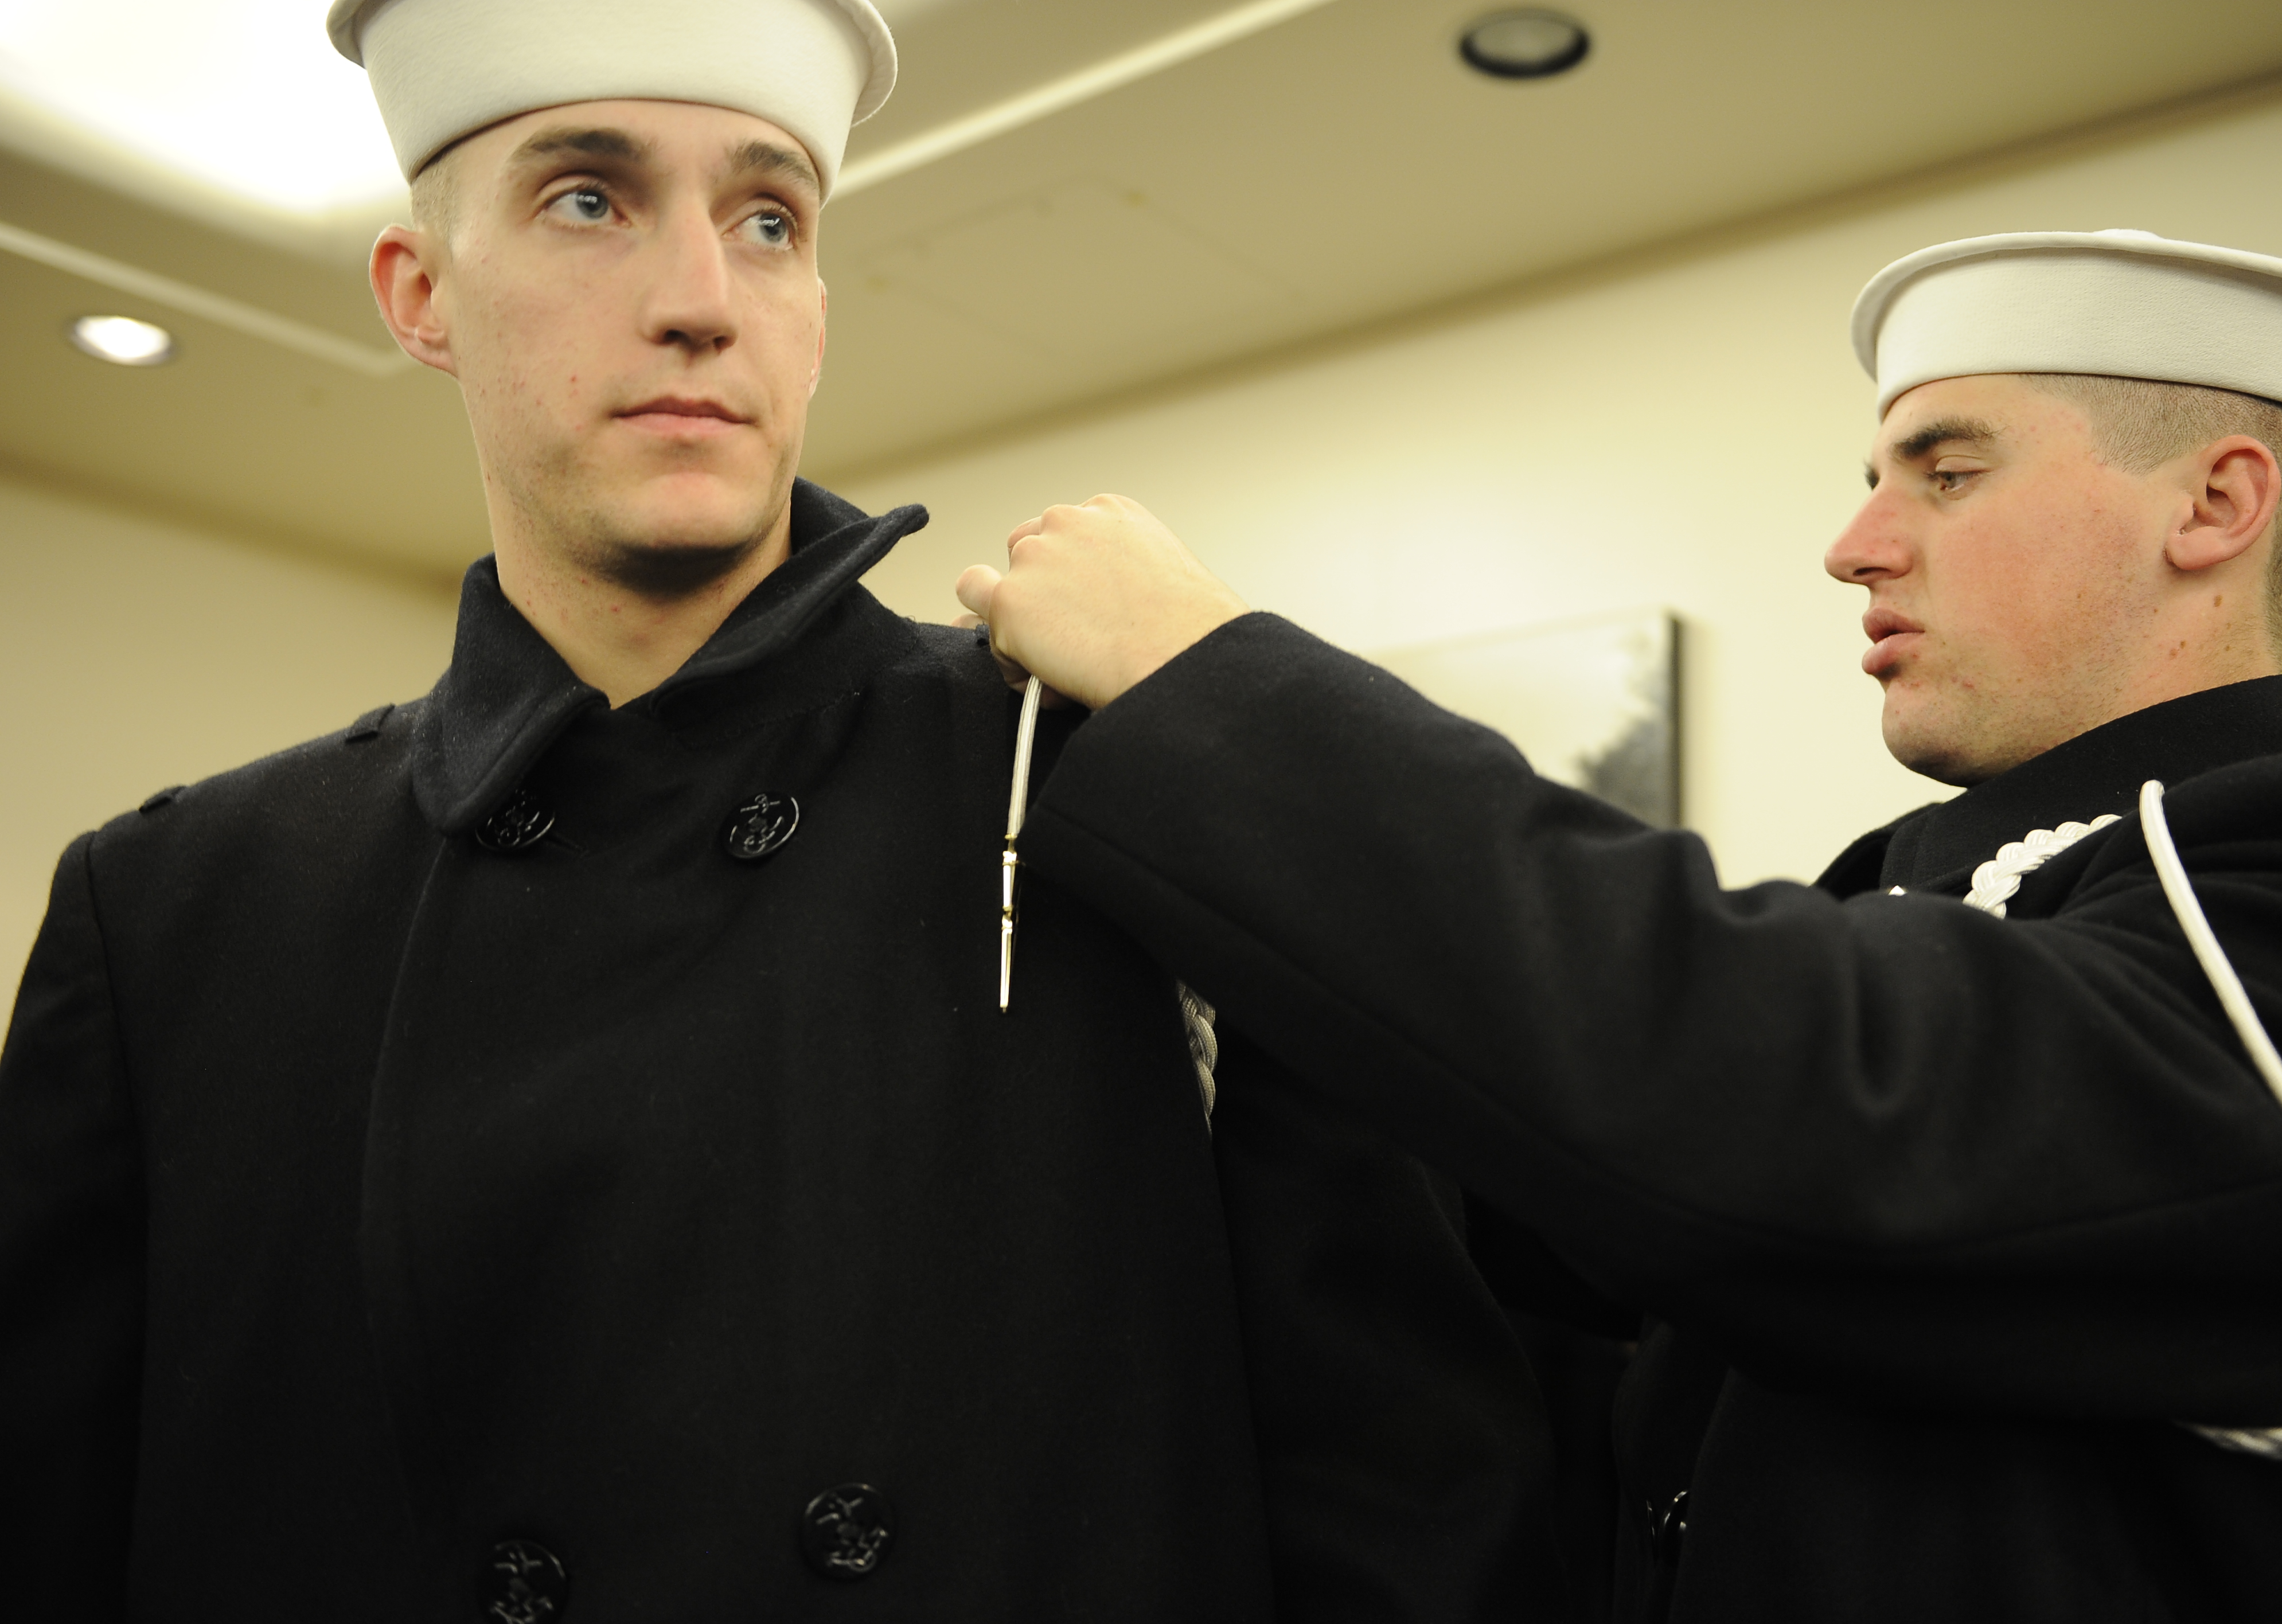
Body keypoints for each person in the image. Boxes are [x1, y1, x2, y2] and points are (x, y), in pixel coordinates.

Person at [0, 2, 1567, 1618]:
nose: (700, 301)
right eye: (588, 200)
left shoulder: (1131, 787)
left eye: (768, 222)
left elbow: (1414, 1517)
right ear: (421, 296)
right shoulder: (176, 911)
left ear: (816, 306)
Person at [957, 230, 2282, 1621]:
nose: (1856, 543)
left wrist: (1214, 695)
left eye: (1946, 472)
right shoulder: (1928, 890)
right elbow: (1541, 1195)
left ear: (2216, 504)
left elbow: (1822, 1108)